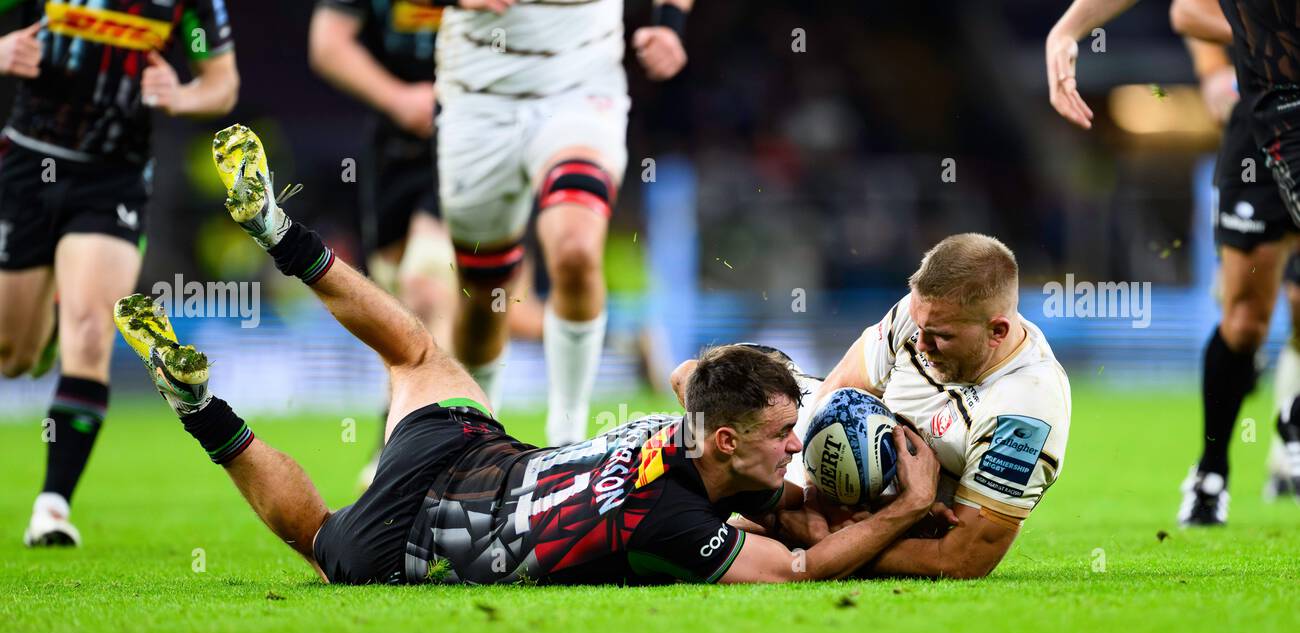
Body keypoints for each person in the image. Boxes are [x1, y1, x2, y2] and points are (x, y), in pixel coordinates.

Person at [112, 124, 944, 587]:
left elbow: (708, 391)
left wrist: (799, 480)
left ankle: (280, 234)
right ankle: (199, 409)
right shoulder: (676, 522)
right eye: (784, 437)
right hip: (417, 545)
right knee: (323, 535)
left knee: (415, 351)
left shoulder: (682, 424)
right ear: (724, 442)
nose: (794, 449)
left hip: (466, 450)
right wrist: (903, 511)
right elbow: (795, 571)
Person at [673, 235, 1073, 579]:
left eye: (939, 337)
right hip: (817, 465)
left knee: (723, 530)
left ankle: (726, 507)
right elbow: (836, 393)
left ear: (996, 331)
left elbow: (963, 557)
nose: (920, 343)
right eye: (918, 326)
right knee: (692, 376)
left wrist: (835, 542)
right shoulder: (922, 316)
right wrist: (816, 500)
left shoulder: (1025, 409)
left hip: (882, 516)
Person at [1045, 0, 1300, 515]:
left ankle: (1291, 427)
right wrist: (1069, 28)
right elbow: (1187, 12)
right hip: (1263, 122)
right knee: (1246, 316)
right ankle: (1212, 470)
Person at [0, 0, 239, 546]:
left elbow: (221, 84)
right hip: (26, 166)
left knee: (90, 332)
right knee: (13, 355)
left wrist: (180, 96)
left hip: (114, 180)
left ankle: (52, 507)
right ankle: (45, 324)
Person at [435, 0, 693, 445]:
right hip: (479, 95)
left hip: (581, 86)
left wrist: (670, 23)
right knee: (484, 293)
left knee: (575, 249)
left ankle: (565, 442)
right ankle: (475, 441)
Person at [307, 0, 540, 486]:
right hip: (394, 142)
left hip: (476, 132)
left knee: (426, 285)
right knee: (394, 303)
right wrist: (398, 98)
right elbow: (328, 44)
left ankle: (428, 449)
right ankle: (423, 438)